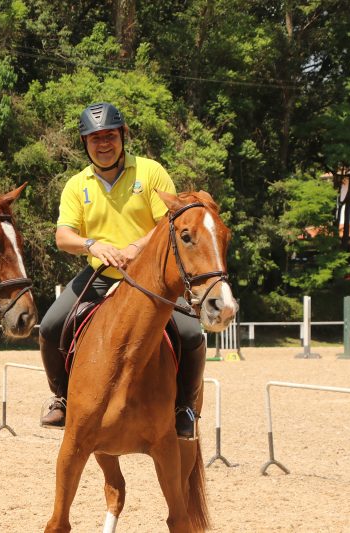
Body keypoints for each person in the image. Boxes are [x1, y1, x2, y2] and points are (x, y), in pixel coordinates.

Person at [38, 102, 207, 440]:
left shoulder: (150, 172)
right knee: (50, 326)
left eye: (110, 136)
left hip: (152, 280)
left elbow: (170, 220)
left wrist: (136, 248)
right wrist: (92, 246)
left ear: (123, 136)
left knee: (191, 334)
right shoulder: (76, 184)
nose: (103, 144)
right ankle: (62, 398)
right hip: (100, 277)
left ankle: (185, 407)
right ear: (84, 143)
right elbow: (63, 235)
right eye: (95, 138)